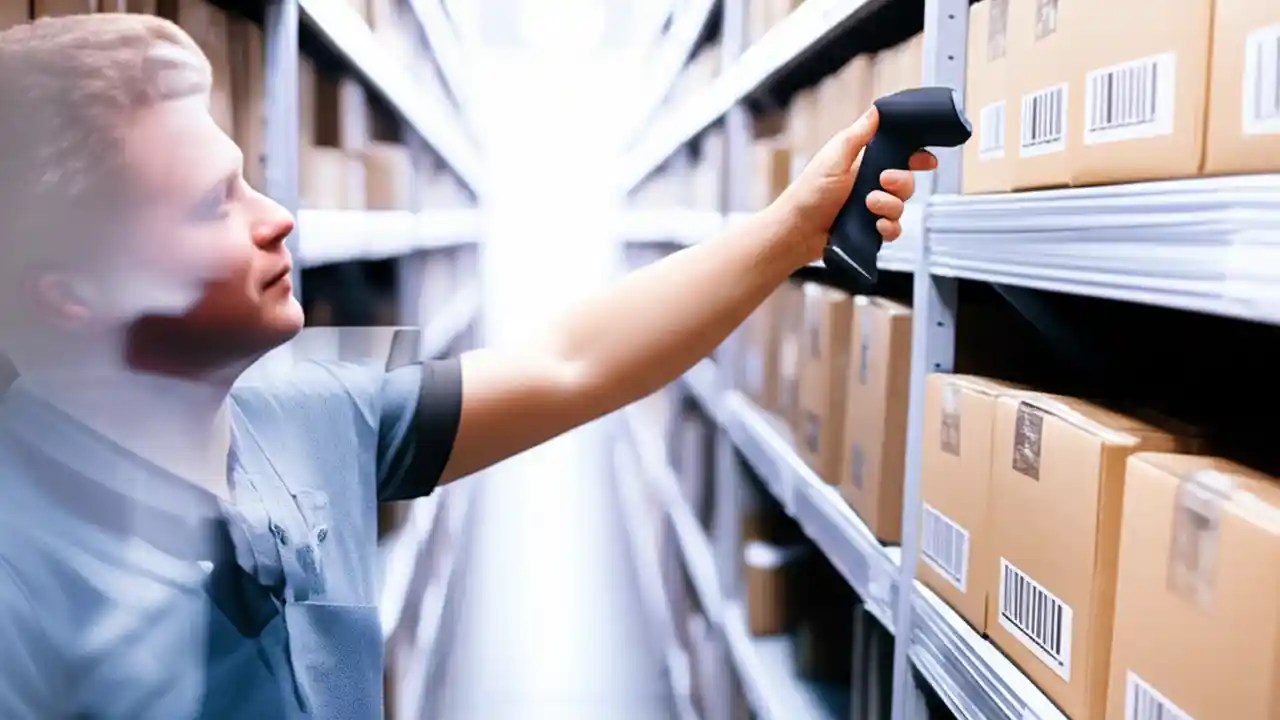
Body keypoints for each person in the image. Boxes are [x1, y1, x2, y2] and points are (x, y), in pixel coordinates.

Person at [0, 13, 936, 719]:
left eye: (248, 177)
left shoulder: (305, 412)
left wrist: (790, 231)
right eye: (213, 205)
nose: (278, 215)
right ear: (75, 290)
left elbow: (570, 364)